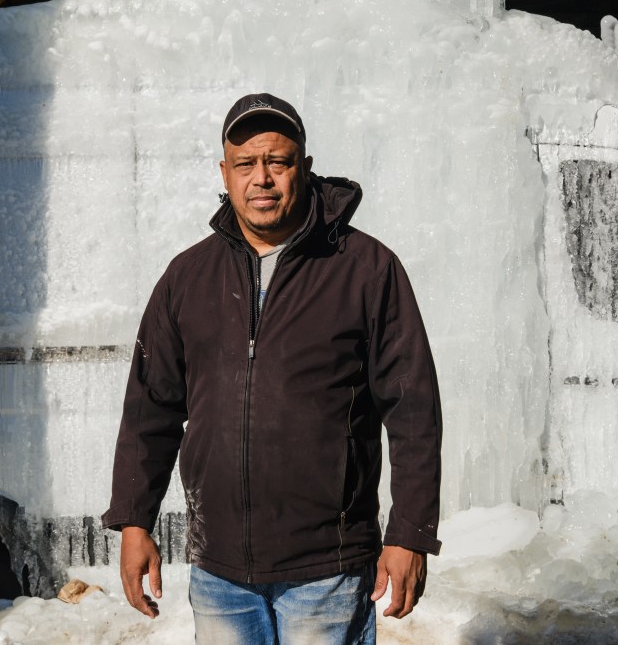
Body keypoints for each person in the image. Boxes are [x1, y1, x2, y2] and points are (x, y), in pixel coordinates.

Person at [102, 93, 442, 644]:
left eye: (277, 162)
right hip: (220, 572)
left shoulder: (365, 268)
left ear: (303, 170)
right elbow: (150, 409)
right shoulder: (187, 277)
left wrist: (410, 535)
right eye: (246, 164)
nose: (262, 178)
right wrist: (134, 520)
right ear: (225, 172)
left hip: (326, 569)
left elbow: (413, 411)